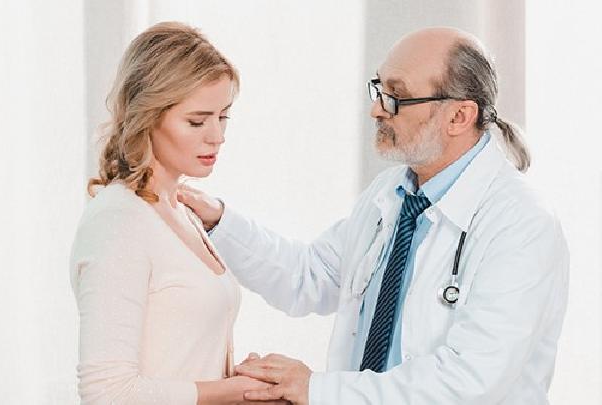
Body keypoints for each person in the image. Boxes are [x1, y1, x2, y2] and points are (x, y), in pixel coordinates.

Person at [179, 27, 569, 404]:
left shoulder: (521, 223)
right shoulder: (391, 193)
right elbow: (310, 275)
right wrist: (219, 222)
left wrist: (315, 390)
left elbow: (468, 379)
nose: (376, 109)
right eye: (379, 89)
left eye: (396, 97)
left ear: (459, 116)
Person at [69, 22, 287, 405]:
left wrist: (240, 379)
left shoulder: (183, 211)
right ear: (147, 116)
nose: (217, 136)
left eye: (223, 117)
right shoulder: (119, 222)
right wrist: (236, 391)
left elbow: (179, 358)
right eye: (197, 121)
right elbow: (106, 393)